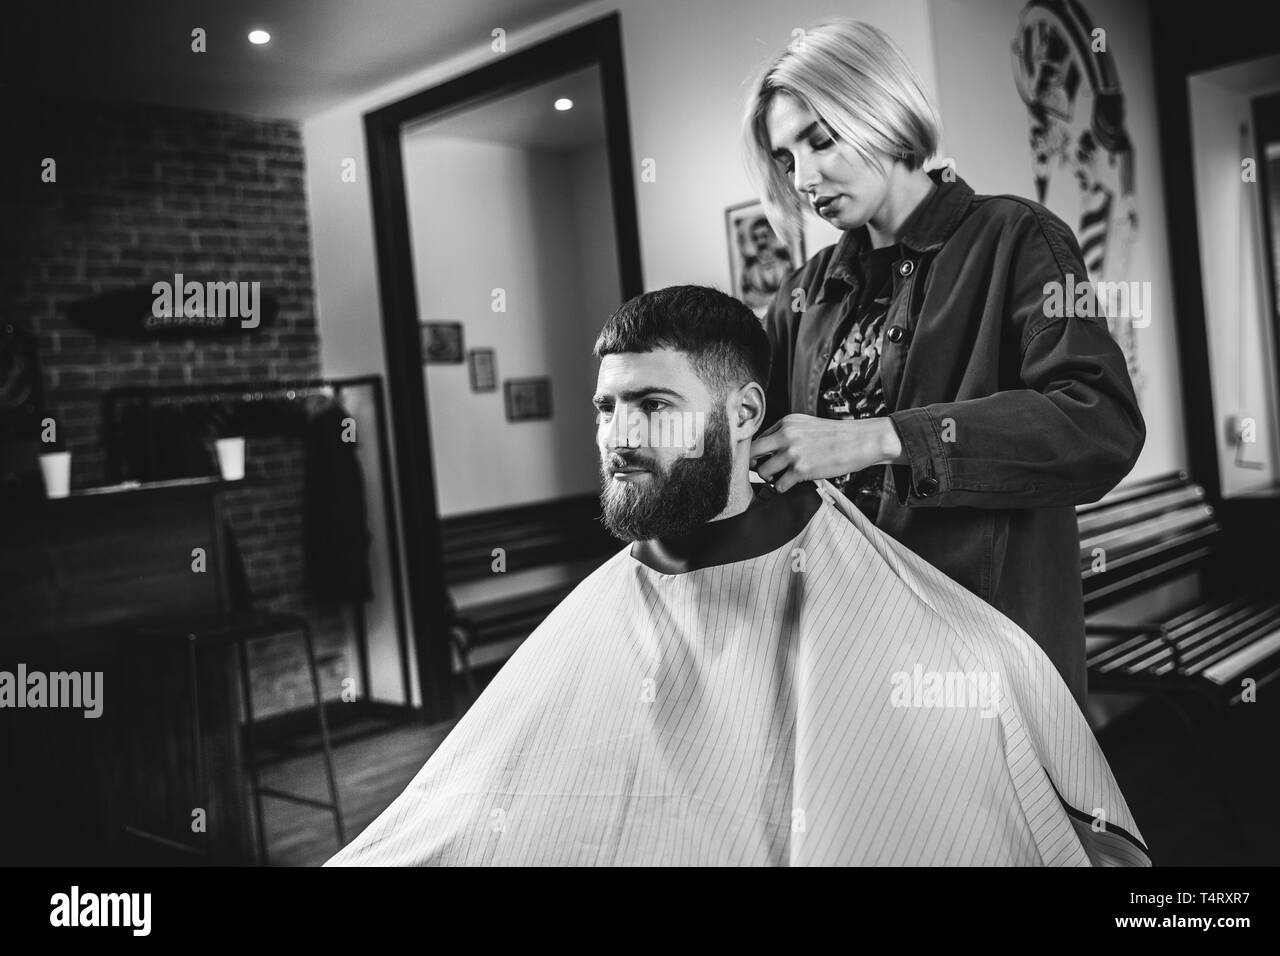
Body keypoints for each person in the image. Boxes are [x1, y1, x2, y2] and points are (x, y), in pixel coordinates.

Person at [325, 286, 1149, 866]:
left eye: (652, 405)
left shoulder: (910, 625)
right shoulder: (599, 611)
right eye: (606, 408)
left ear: (746, 414)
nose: (618, 435)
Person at [740, 19, 1146, 709]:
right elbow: (759, 447)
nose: (804, 178)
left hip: (979, 661)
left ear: (883, 112)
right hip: (842, 653)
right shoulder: (802, 292)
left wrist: (880, 437)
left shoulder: (1021, 238)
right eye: (785, 158)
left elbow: (1100, 426)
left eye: (821, 139)